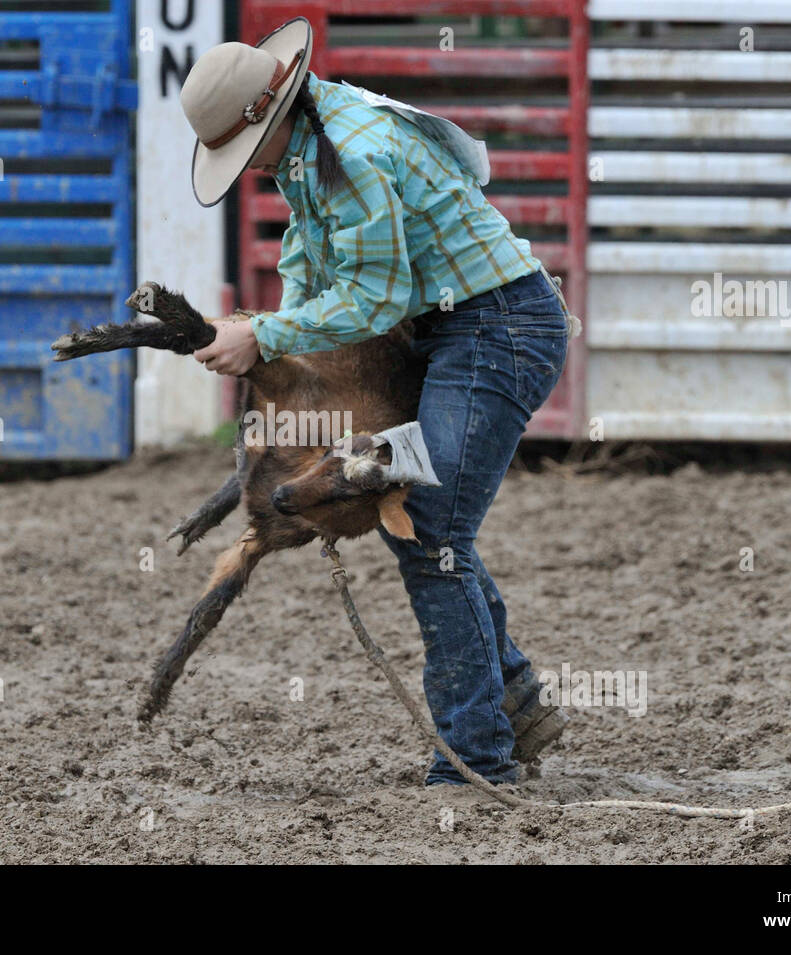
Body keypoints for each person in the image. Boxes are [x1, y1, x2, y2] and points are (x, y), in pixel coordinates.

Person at [178, 17, 572, 785]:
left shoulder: (351, 152)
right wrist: (272, 334)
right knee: (424, 519)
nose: (245, 169)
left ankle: (474, 760)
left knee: (428, 521)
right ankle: (509, 698)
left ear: (263, 119)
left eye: (238, 152)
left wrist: (263, 335)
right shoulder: (311, 138)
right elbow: (311, 269)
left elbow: (372, 294)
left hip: (496, 328)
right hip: (451, 329)